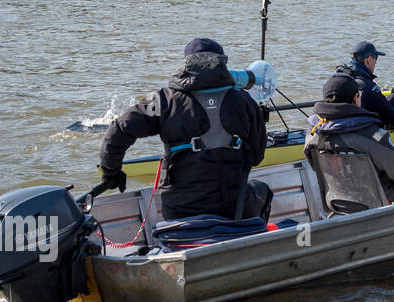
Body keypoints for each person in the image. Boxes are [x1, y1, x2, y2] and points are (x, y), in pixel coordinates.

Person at [97, 38, 268, 221]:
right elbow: (257, 157)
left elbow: (118, 129)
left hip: (180, 210)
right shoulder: (245, 102)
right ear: (222, 62)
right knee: (263, 191)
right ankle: (250, 240)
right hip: (236, 208)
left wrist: (111, 172)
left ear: (185, 65)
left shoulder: (163, 101)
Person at [303, 72, 394, 210]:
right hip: (379, 201)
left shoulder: (314, 133)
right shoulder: (368, 132)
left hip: (339, 202)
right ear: (355, 98)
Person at [336, 41, 394, 129]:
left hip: (346, 121)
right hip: (365, 128)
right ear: (369, 59)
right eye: (376, 58)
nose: (376, 62)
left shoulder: (339, 77)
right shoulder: (367, 86)